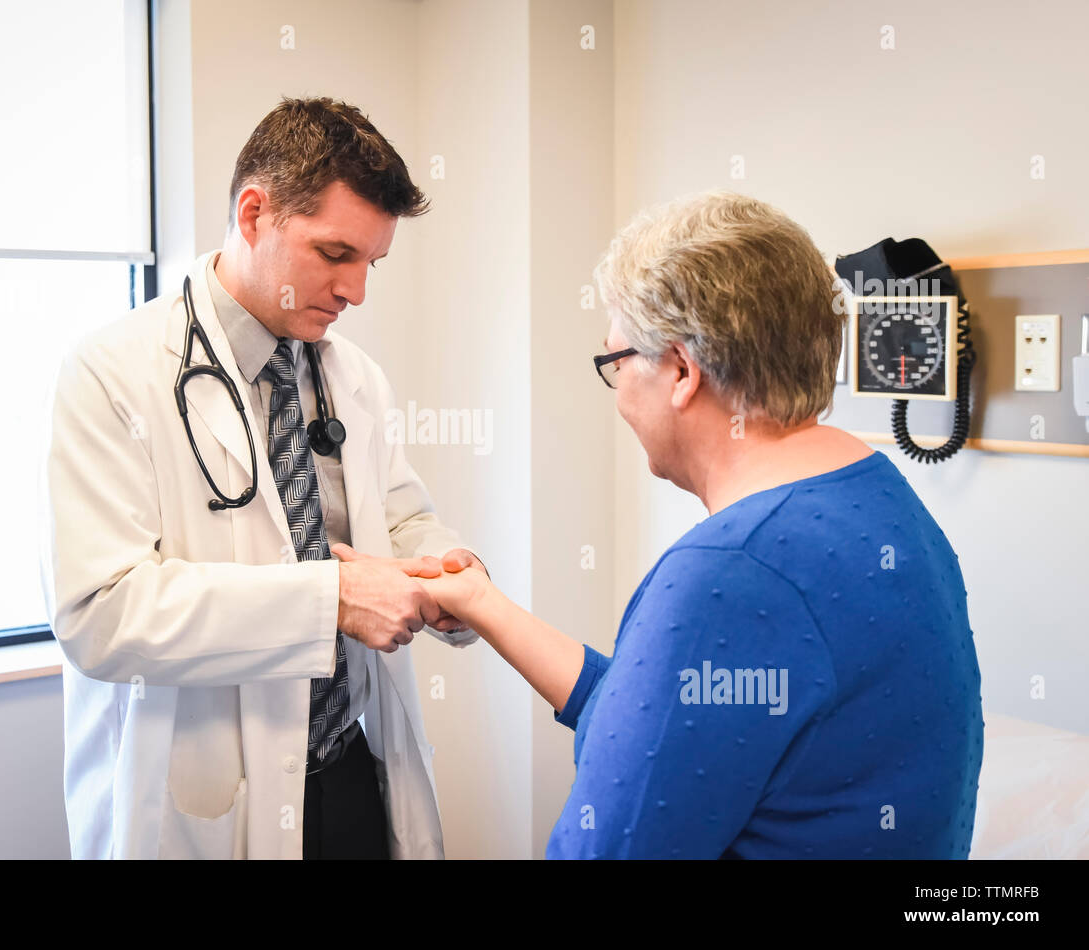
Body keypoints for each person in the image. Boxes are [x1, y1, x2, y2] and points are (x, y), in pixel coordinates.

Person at [399, 191, 985, 858]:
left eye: (615, 362)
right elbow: (675, 724)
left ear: (680, 370)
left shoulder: (732, 573)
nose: (617, 392)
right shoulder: (878, 497)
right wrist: (482, 604)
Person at [40, 97, 485, 860]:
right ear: (254, 214)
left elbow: (398, 516)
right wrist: (332, 599)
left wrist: (447, 568)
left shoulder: (354, 377)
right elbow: (101, 616)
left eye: (370, 263)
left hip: (350, 774)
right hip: (207, 800)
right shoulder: (113, 374)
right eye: (336, 253)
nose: (356, 292)